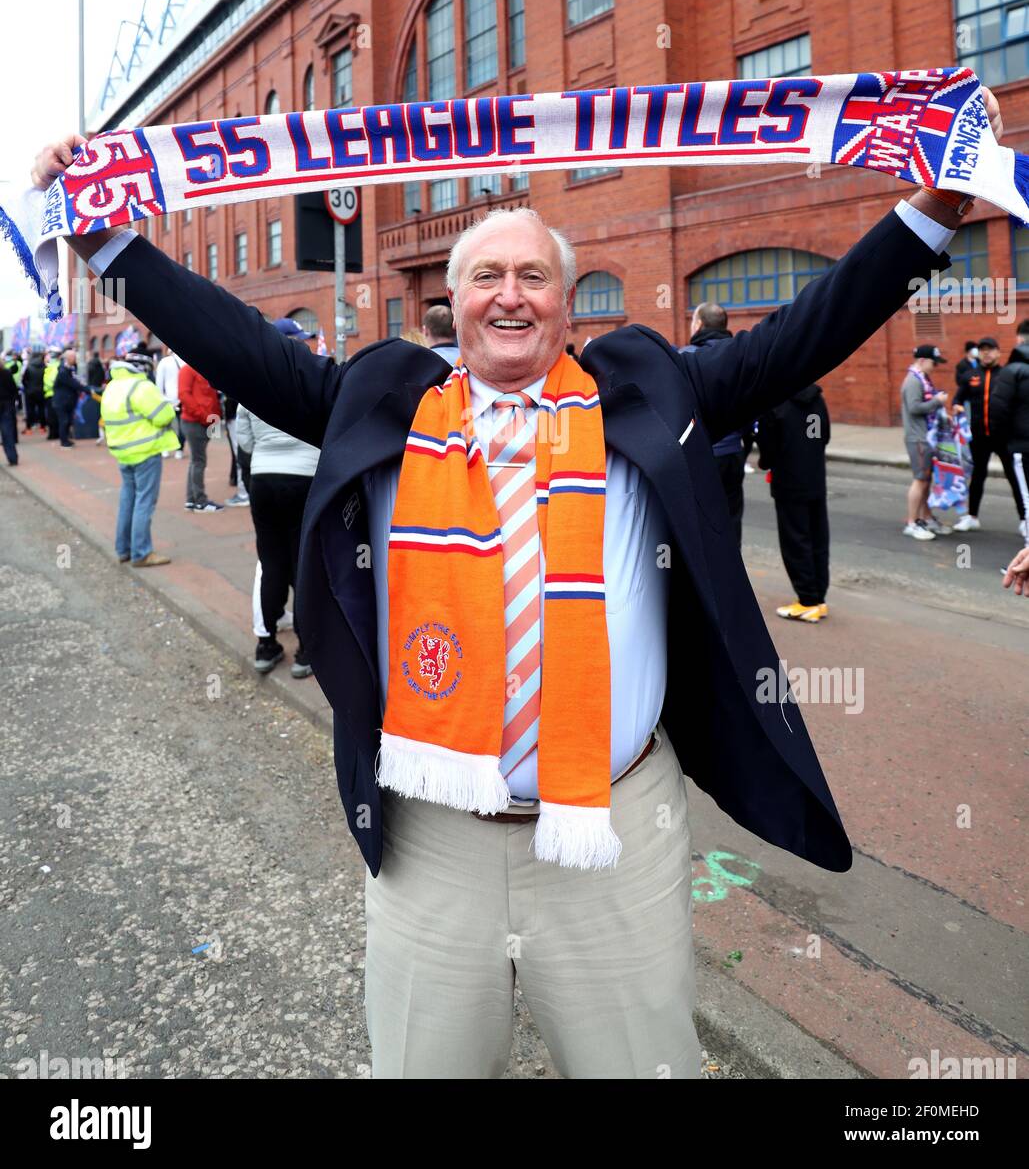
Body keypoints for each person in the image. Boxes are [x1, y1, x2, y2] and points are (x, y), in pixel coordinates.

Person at [34, 88, 1002, 1080]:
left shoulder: (648, 388)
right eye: (486, 275)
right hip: (433, 839)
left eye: (533, 275)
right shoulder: (387, 400)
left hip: (615, 828)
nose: (510, 294)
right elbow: (233, 337)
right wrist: (110, 238)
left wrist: (931, 213)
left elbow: (810, 328)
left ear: (566, 302)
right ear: (453, 303)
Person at [236, 321, 320, 678]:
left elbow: (244, 439)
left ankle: (266, 642)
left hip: (264, 478)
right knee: (304, 566)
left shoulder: (252, 382)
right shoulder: (312, 379)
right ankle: (306, 650)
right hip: (304, 478)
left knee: (271, 563)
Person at [756, 383, 831, 622]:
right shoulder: (817, 399)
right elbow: (824, 436)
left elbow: (767, 445)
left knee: (795, 541)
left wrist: (768, 463)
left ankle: (807, 600)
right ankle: (818, 597)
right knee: (818, 538)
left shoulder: (776, 402)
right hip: (815, 478)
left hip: (789, 479)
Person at [100, 345, 179, 567]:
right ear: (143, 366)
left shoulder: (112, 387)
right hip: (145, 451)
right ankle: (142, 553)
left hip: (122, 452)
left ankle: (123, 549)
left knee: (128, 500)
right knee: (144, 502)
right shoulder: (142, 387)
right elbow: (163, 415)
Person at [681, 303, 747, 547]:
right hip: (733, 453)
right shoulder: (739, 354)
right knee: (732, 518)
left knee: (702, 521)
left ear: (698, 325)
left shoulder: (686, 356)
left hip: (701, 454)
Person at [952, 336, 1025, 531]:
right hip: (979, 437)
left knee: (1015, 477)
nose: (986, 353)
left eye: (990, 349)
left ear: (998, 352)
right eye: (982, 349)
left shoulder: (1007, 375)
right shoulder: (971, 375)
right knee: (977, 477)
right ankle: (972, 516)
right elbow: (958, 399)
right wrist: (957, 406)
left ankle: (1024, 520)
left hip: (1004, 437)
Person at [901, 344, 952, 540]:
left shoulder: (922, 379)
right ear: (922, 361)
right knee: (920, 480)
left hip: (925, 436)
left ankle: (927, 518)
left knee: (926, 480)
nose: (936, 366)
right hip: (918, 438)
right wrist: (937, 401)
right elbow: (914, 408)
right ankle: (912, 523)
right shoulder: (913, 382)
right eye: (934, 363)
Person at [988, 318, 1029, 546]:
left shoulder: (1012, 371)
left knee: (1028, 500)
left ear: (1019, 339)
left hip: (1022, 447)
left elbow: (998, 410)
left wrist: (1002, 442)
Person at [178, 359, 223, 512]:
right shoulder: (188, 369)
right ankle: (199, 501)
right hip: (197, 421)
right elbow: (184, 394)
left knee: (196, 461)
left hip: (208, 420)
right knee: (199, 461)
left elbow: (211, 397)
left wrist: (213, 418)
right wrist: (203, 415)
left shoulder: (203, 368)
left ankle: (192, 499)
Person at [51, 348, 86, 448]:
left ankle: (66, 439)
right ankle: (64, 441)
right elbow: (73, 383)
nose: (75, 359)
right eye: (74, 357)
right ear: (69, 358)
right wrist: (86, 389)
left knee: (68, 421)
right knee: (64, 421)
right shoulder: (63, 370)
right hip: (62, 401)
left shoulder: (71, 368)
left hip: (68, 400)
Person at [154, 347, 185, 461]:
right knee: (182, 426)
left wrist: (159, 397)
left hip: (166, 399)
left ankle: (165, 450)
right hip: (182, 399)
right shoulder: (186, 362)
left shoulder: (164, 362)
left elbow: (159, 383)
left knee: (165, 425)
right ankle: (179, 450)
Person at [21, 348, 46, 432]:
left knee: (30, 410)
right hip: (41, 391)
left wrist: (27, 387)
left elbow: (24, 380)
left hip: (30, 392)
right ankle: (42, 427)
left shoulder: (28, 367)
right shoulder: (44, 367)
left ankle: (29, 428)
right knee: (41, 409)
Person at [0, 360, 18, 465]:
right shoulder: (6, 373)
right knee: (7, 432)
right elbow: (13, 390)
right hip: (6, 405)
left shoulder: (6, 373)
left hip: (6, 405)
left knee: (7, 432)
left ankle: (12, 457)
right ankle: (12, 457)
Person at [42, 348, 61, 439]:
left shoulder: (54, 367)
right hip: (51, 394)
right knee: (53, 416)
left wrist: (47, 385)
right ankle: (54, 433)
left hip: (52, 394)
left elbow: (52, 382)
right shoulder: (52, 366)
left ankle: (54, 434)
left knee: (52, 416)